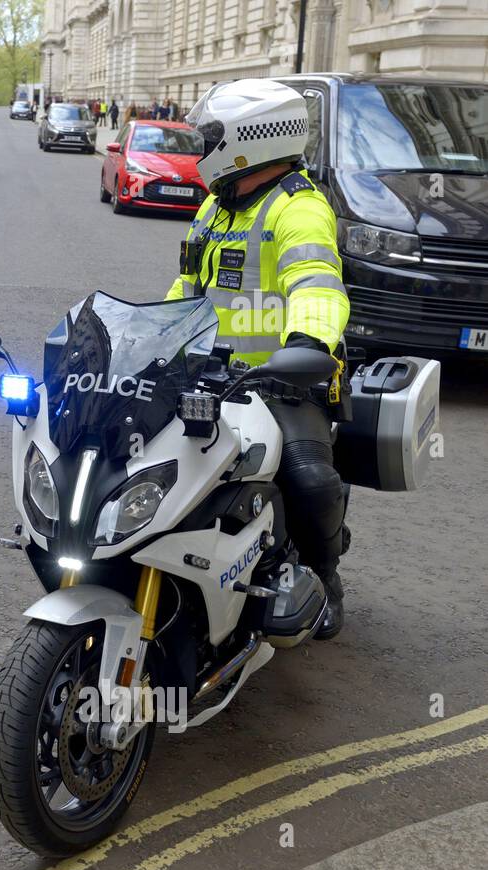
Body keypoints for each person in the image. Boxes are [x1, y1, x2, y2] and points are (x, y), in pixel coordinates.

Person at [165, 79, 350, 639]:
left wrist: (308, 346)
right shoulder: (216, 208)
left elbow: (317, 284)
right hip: (211, 373)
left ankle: (325, 577)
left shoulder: (299, 208)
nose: (201, 149)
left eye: (210, 138)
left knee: (310, 477)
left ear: (247, 140)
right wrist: (156, 340)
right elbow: (187, 286)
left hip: (285, 381)